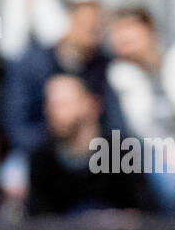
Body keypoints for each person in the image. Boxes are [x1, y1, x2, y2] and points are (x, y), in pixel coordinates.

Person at [106, 7, 175, 212]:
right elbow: (121, 132)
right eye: (117, 32)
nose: (121, 38)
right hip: (152, 158)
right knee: (168, 187)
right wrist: (169, 156)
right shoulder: (116, 76)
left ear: (149, 30)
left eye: (128, 29)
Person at [25, 74, 153, 217]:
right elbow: (38, 224)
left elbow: (145, 214)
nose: (53, 111)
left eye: (63, 103)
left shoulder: (121, 151)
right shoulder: (41, 160)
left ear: (92, 105)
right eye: (50, 104)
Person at [2, 0, 115, 153]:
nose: (91, 34)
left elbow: (112, 121)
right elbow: (18, 125)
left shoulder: (104, 68)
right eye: (86, 25)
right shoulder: (33, 64)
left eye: (98, 28)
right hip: (41, 150)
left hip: (91, 151)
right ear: (69, 22)